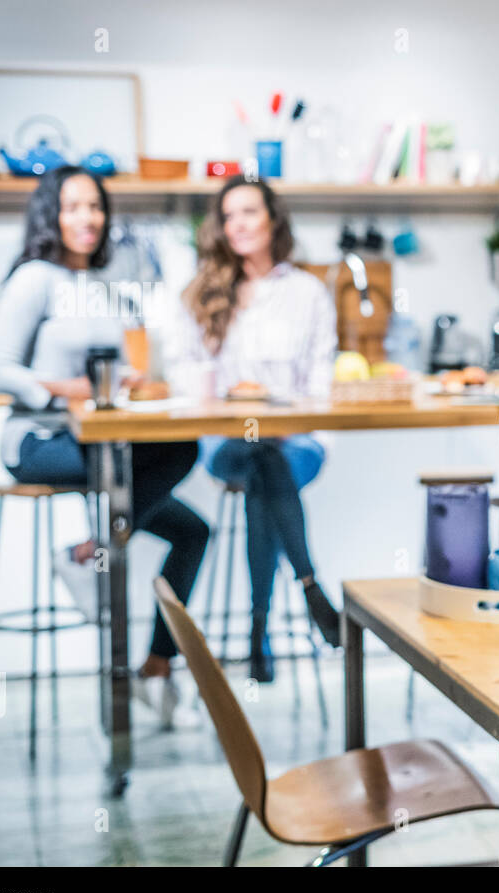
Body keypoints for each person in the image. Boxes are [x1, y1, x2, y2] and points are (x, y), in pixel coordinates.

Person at [0, 165, 210, 729]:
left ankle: (155, 666)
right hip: (39, 439)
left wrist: (134, 381)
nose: (88, 218)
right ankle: (99, 546)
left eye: (96, 207)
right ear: (51, 215)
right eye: (74, 206)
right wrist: (66, 391)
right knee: (168, 456)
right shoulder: (35, 278)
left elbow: (124, 365)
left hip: (102, 442)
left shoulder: (106, 287)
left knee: (192, 525)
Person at [166, 174, 342, 683]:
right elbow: (181, 373)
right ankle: (309, 587)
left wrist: (292, 422)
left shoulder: (306, 292)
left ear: (273, 220)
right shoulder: (203, 293)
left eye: (249, 212)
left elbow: (321, 378)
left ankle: (256, 633)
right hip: (228, 446)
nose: (237, 224)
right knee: (259, 459)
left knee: (267, 465)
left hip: (298, 444)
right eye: (229, 216)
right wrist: (221, 394)